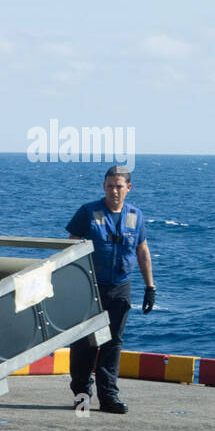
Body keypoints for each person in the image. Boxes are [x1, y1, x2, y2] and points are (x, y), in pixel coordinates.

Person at [66, 165, 157, 414]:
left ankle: (109, 398)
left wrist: (150, 287)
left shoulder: (135, 216)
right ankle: (82, 396)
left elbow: (142, 252)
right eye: (110, 185)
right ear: (103, 186)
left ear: (128, 188)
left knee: (113, 342)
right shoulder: (88, 212)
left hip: (120, 287)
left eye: (119, 186)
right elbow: (70, 249)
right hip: (89, 287)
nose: (114, 191)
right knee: (85, 344)